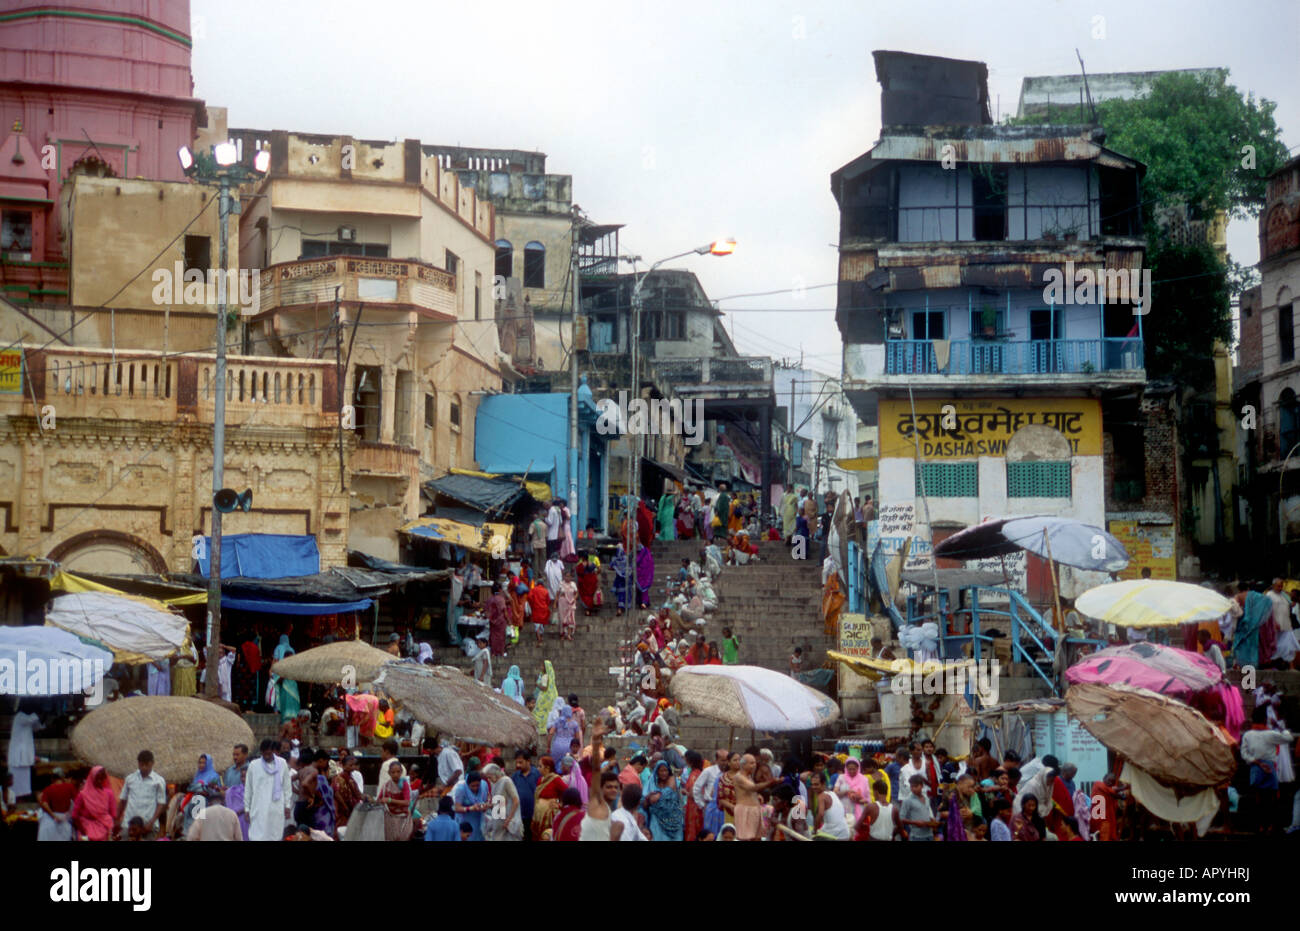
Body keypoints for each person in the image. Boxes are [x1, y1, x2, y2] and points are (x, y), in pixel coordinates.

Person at [245, 738, 293, 841]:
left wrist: (287, 805)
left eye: (269, 753)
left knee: (275, 835)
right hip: (258, 807)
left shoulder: (282, 763)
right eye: (264, 753)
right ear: (261, 752)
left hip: (276, 807)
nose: (267, 755)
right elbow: (248, 789)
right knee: (257, 836)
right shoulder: (254, 765)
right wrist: (246, 809)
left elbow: (287, 787)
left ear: (273, 751)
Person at [115, 749, 167, 840]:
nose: (144, 768)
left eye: (147, 765)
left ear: (152, 763)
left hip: (147, 826)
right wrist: (117, 819)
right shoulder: (130, 779)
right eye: (141, 764)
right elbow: (123, 800)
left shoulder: (159, 781)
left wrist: (151, 822)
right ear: (138, 763)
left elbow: (161, 804)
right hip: (129, 824)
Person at [71, 765, 117, 842]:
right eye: (97, 778)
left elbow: (113, 814)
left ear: (105, 778)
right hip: (86, 830)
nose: (100, 781)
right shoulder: (83, 795)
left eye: (102, 778)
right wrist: (83, 831)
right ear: (92, 778)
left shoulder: (109, 794)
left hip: (104, 830)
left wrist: (110, 828)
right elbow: (75, 816)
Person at [481, 763, 523, 841]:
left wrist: (509, 819)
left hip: (507, 819)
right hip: (498, 819)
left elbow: (516, 800)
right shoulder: (494, 783)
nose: (489, 780)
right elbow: (497, 802)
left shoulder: (506, 781)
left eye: (489, 777)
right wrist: (488, 805)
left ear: (495, 774)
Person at [7, 705, 39, 798]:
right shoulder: (20, 716)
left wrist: (43, 718)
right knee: (15, 780)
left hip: (24, 756)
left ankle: (23, 796)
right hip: (18, 755)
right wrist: (39, 712)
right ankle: (14, 797)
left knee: (24, 780)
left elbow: (37, 727)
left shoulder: (27, 718)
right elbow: (32, 719)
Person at [37, 768, 77, 841]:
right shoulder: (70, 787)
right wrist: (68, 814)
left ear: (52, 779)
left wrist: (53, 816)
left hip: (51, 822)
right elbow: (77, 802)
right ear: (62, 777)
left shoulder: (48, 789)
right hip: (64, 821)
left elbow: (44, 804)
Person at [531, 756, 565, 840]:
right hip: (538, 814)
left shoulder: (556, 779)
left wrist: (558, 803)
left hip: (548, 815)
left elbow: (567, 792)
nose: (538, 768)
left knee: (546, 836)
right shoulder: (540, 780)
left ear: (547, 768)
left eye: (540, 766)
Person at [378, 760, 412, 841]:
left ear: (401, 772)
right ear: (389, 773)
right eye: (393, 772)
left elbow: (407, 802)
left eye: (398, 772)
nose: (396, 774)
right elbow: (379, 799)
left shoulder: (404, 784)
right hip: (390, 816)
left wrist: (390, 800)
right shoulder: (386, 785)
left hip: (403, 816)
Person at [486, 583, 510, 657]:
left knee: (493, 637)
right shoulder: (501, 599)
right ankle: (501, 652)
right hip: (501, 621)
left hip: (492, 621)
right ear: (499, 590)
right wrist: (509, 620)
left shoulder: (489, 599)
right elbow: (504, 611)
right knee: (501, 637)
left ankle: (493, 653)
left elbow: (486, 611)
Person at [558, 570, 578, 641]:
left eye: (569, 576)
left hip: (571, 603)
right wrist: (554, 603)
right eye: (566, 576)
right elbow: (558, 593)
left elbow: (576, 593)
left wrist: (574, 599)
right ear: (564, 577)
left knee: (570, 619)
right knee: (562, 619)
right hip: (562, 604)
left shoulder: (573, 584)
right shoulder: (561, 583)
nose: (568, 578)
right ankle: (562, 634)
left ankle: (569, 634)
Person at [529, 508, 548, 579]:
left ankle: (536, 576)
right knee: (543, 560)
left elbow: (530, 533)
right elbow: (546, 536)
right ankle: (542, 575)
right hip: (543, 544)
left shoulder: (533, 524)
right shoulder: (544, 525)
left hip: (535, 544)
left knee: (535, 560)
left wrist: (531, 540)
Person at [635, 543, 655, 609]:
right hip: (643, 573)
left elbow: (637, 561)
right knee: (642, 588)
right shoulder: (646, 552)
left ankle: (644, 602)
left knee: (643, 588)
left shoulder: (642, 553)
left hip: (643, 573)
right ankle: (643, 602)